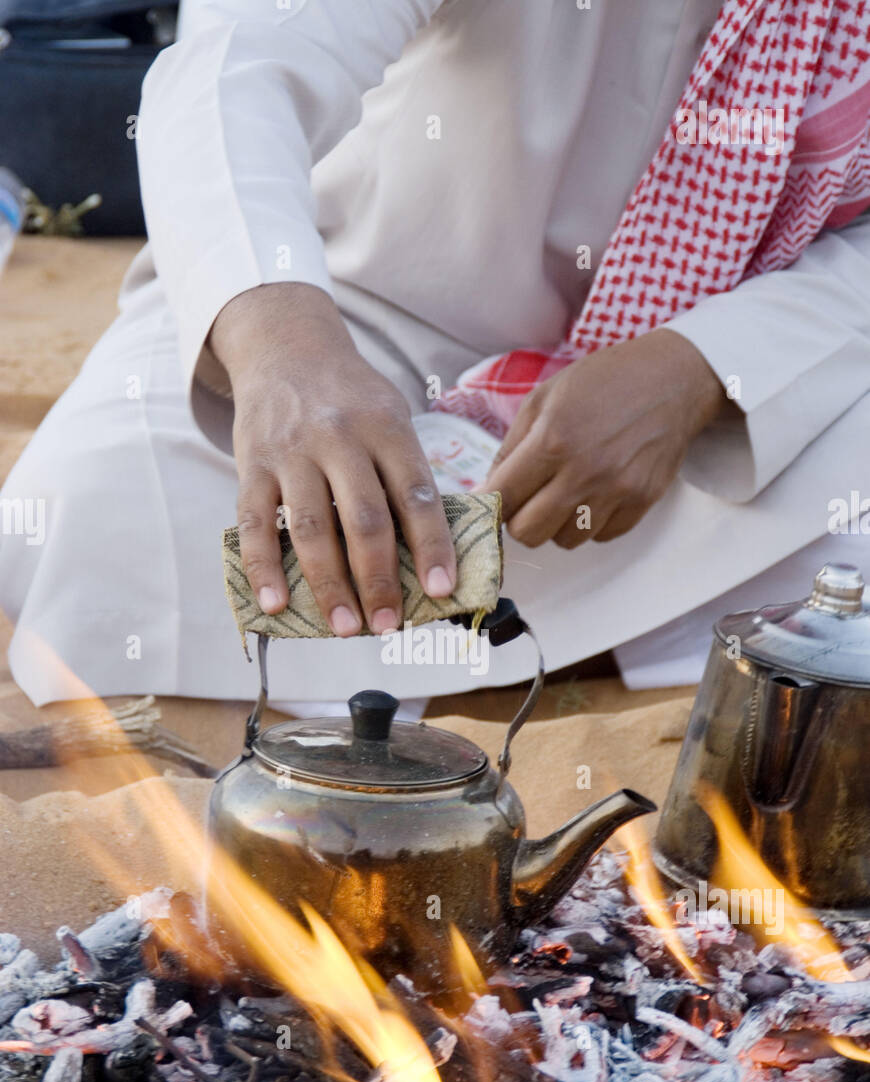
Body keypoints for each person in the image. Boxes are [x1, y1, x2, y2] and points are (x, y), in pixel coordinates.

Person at [2, 0, 870, 710]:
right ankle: (608, 645)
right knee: (95, 496)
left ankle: (402, 661)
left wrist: (700, 365)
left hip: (727, 371)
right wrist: (284, 349)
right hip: (357, 323)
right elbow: (234, 69)